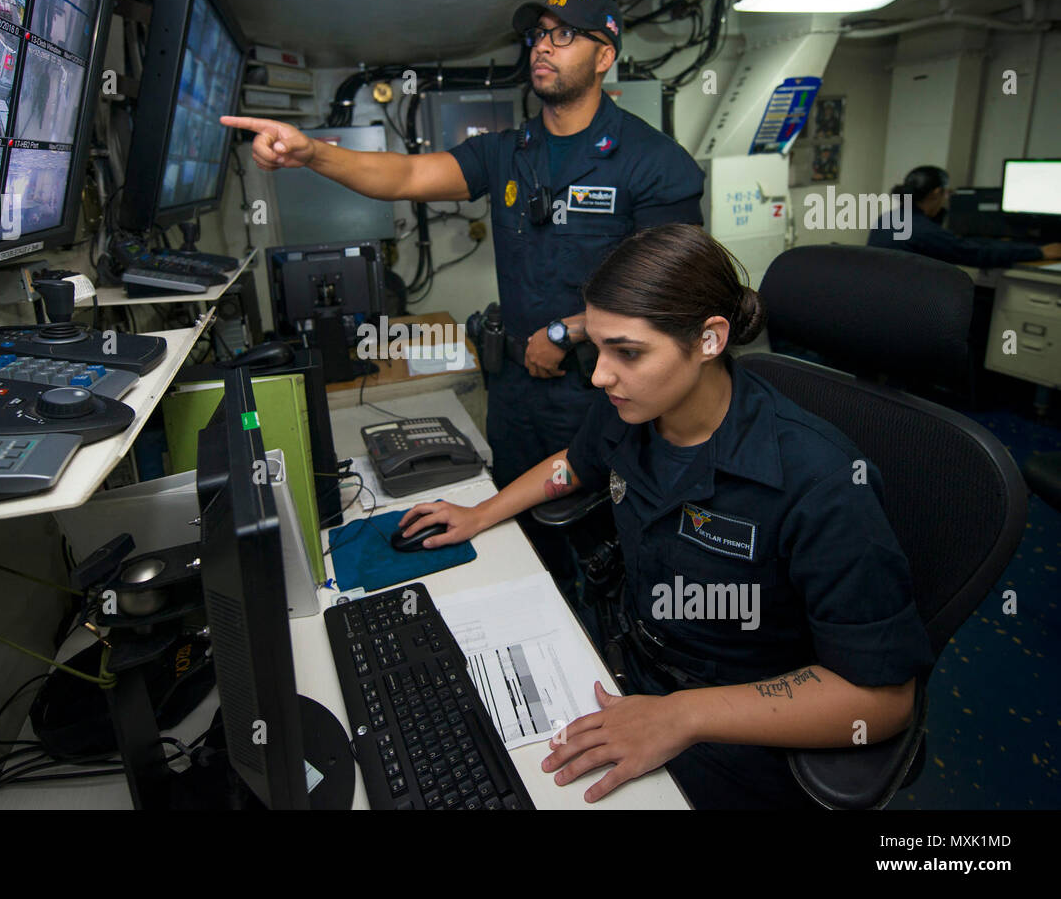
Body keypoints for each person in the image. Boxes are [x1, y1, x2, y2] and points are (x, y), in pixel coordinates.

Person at [396, 224, 933, 809]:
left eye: (627, 352)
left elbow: (880, 701)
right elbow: (572, 467)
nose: (600, 375)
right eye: (596, 347)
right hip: (627, 659)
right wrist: (481, 512)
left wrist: (682, 716)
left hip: (738, 720)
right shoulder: (635, 406)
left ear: (708, 340)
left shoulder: (822, 481)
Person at [221, 0, 705, 586]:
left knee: (600, 552)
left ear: (604, 55)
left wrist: (569, 329)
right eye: (536, 35)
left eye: (563, 35)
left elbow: (678, 289)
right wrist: (312, 153)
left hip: (604, 397)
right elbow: (406, 175)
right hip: (515, 394)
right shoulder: (509, 151)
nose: (541, 49)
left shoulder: (652, 162)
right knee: (517, 539)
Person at [868, 165, 1061, 267]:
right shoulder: (923, 230)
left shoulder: (889, 218)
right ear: (936, 193)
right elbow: (975, 254)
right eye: (946, 193)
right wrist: (1040, 252)